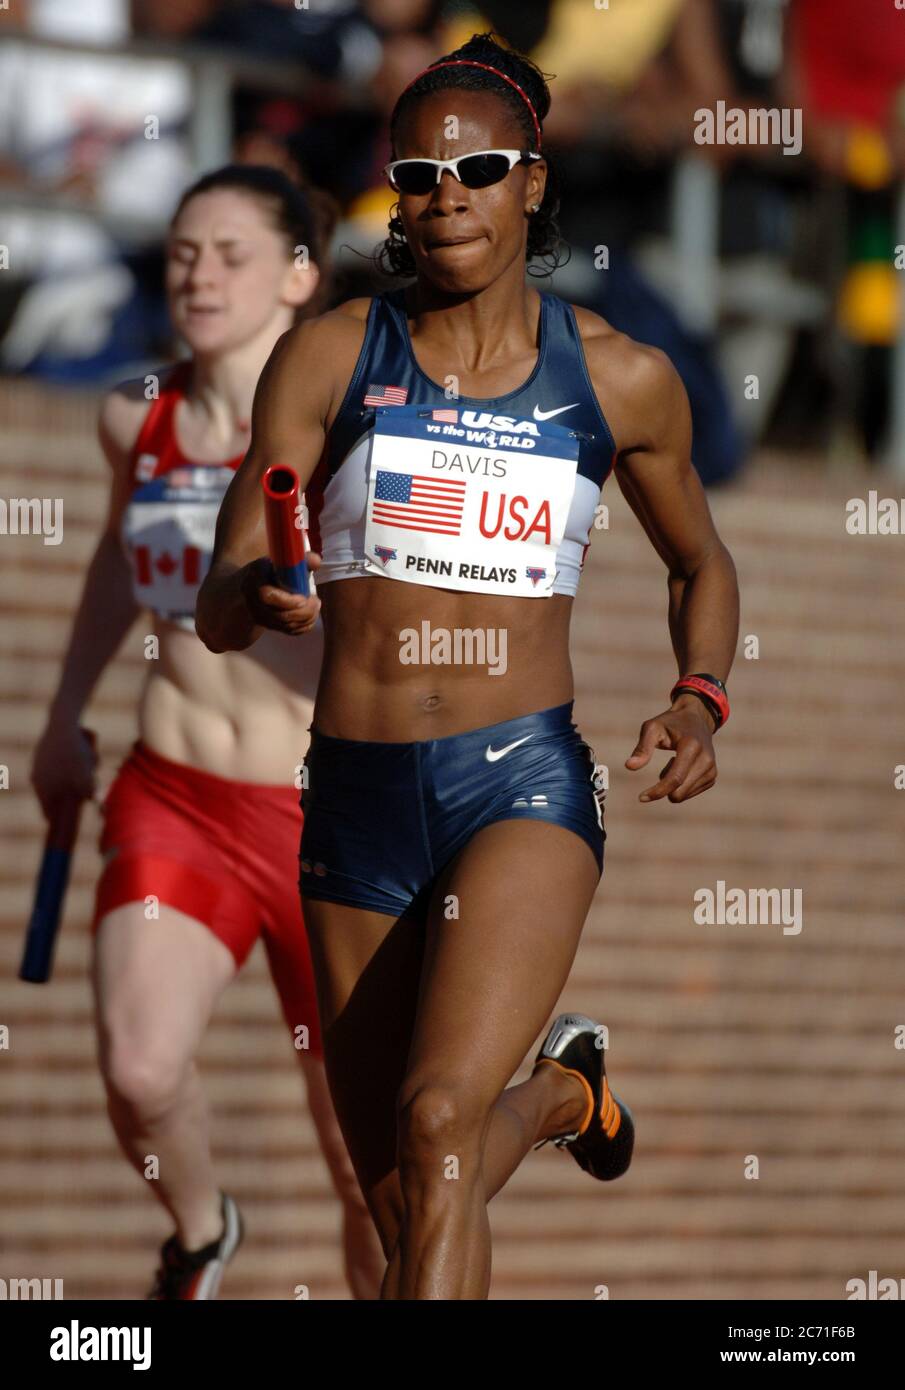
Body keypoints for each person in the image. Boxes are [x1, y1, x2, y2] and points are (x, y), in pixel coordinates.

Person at [196, 32, 740, 1301]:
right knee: (400, 1189)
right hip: (356, 797)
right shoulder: (334, 354)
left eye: (479, 169)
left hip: (520, 787)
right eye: (417, 177)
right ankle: (560, 1095)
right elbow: (222, 589)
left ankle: (536, 1093)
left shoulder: (617, 377)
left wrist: (697, 697)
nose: (446, 198)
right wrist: (251, 595)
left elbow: (699, 561)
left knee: (440, 1124)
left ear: (532, 182)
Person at [31, 164, 384, 1300]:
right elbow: (114, 570)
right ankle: (199, 1230)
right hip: (176, 787)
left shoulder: (349, 436)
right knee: (138, 1066)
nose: (198, 274)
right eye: (183, 252)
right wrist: (61, 714)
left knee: (360, 1160)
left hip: (325, 819)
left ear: (298, 277)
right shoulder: (137, 413)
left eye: (230, 253)